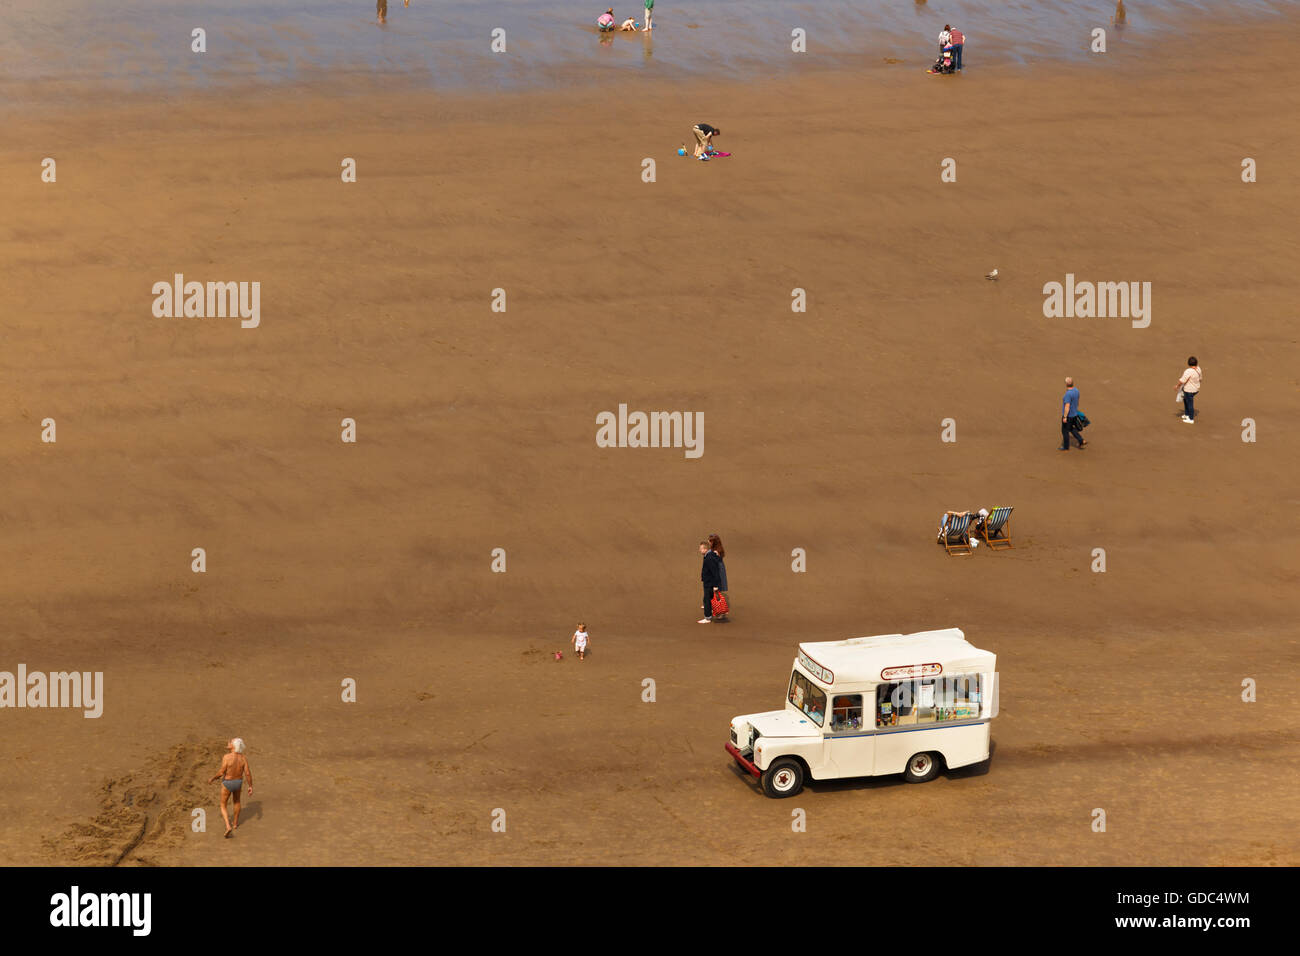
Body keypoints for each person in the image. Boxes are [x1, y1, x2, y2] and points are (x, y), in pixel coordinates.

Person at [208, 737, 253, 838]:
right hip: (238, 782)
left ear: (234, 746)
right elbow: (248, 773)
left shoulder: (227, 757)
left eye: (230, 742)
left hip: (228, 782)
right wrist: (250, 786)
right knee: (237, 801)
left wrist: (212, 778)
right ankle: (235, 823)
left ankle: (228, 826)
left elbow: (221, 772)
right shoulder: (243, 758)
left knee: (223, 805)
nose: (228, 742)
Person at [1059, 376, 1087, 450]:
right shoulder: (1076, 390)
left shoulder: (1068, 395)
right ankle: (1081, 440)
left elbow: (1067, 406)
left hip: (1069, 416)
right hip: (1074, 414)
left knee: (1064, 431)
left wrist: (1065, 417)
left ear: (1066, 384)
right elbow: (1077, 401)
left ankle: (1066, 446)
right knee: (1071, 428)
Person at [698, 540, 723, 623]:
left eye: (701, 548)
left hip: (709, 583)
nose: (699, 550)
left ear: (705, 549)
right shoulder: (710, 555)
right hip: (710, 582)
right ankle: (719, 614)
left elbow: (715, 572)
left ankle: (707, 617)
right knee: (712, 598)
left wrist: (716, 585)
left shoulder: (709, 558)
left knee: (707, 600)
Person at [708, 533, 729, 621]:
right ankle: (719, 611)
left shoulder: (716, 551)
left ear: (714, 542)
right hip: (719, 569)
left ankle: (721, 613)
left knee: (717, 592)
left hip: (718, 571)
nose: (708, 542)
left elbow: (715, 564)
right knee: (716, 592)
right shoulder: (717, 549)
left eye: (710, 541)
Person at [1177, 356, 1202, 423]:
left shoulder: (1188, 371)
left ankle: (1191, 419)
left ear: (1188, 364)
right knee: (1186, 400)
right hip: (1196, 389)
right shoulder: (1199, 369)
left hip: (1189, 390)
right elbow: (1200, 379)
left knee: (1189, 404)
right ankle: (1186, 414)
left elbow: (1182, 380)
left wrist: (1177, 386)